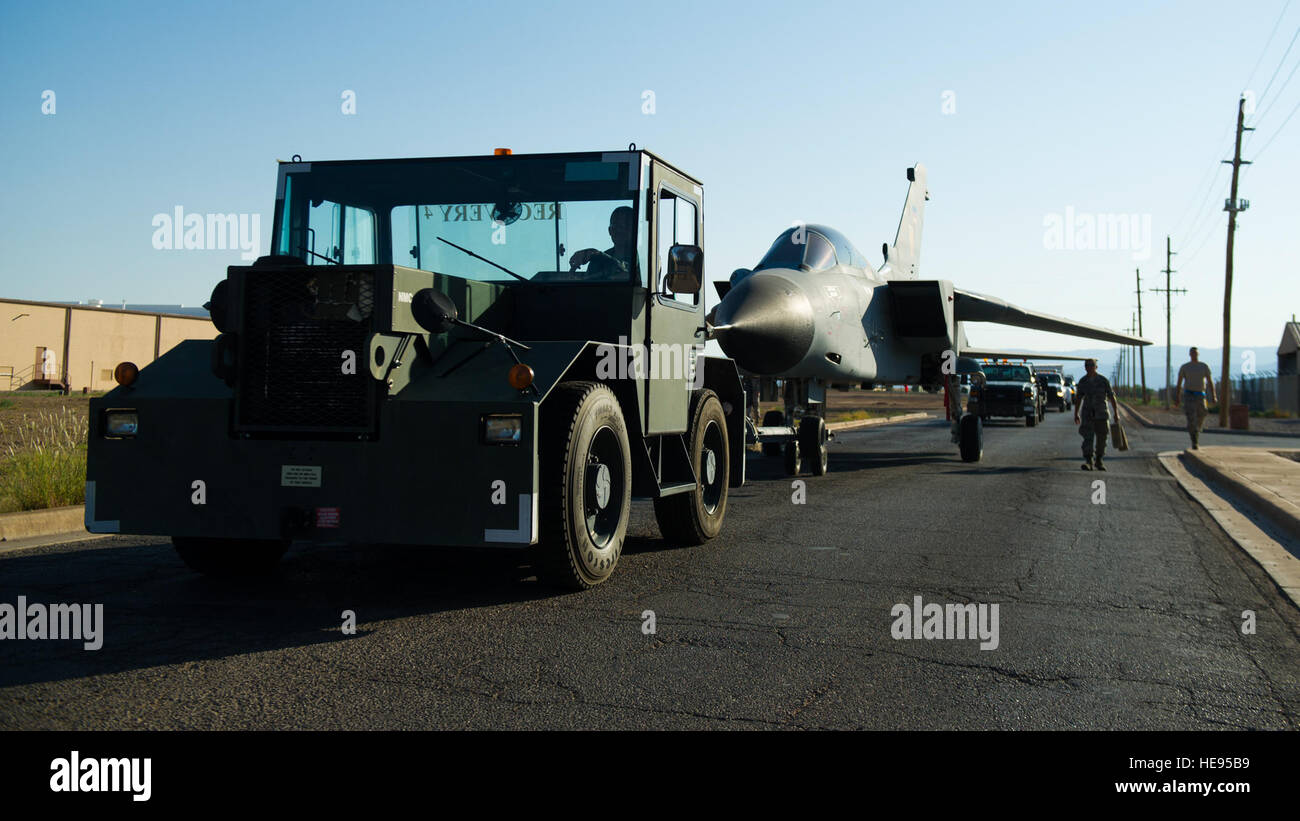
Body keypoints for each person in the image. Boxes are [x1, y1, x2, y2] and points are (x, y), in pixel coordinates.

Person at [1073, 358, 1118, 471]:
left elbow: (1112, 397)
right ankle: (1089, 461)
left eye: (1092, 365)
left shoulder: (1103, 381)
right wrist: (1076, 413)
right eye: (1087, 366)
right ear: (1085, 368)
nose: (1089, 367)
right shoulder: (1083, 381)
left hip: (1101, 414)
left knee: (1102, 438)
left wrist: (1116, 413)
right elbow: (1078, 398)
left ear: (1096, 367)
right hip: (1088, 414)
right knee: (1088, 438)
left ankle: (1099, 460)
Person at [568, 206, 635, 281]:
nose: (619, 230)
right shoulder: (597, 261)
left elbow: (630, 277)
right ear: (610, 230)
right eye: (616, 225)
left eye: (625, 225)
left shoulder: (644, 258)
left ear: (635, 229)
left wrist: (599, 255)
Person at [1173, 346, 1214, 450]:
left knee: (1203, 413)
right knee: (1191, 418)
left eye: (1195, 353)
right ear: (1189, 354)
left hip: (1201, 395)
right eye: (1192, 353)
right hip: (1189, 396)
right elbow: (1179, 383)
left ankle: (1197, 429)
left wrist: (1213, 395)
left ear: (1198, 354)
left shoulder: (1203, 366)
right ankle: (1194, 440)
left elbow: (1210, 381)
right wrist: (1177, 397)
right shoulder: (1185, 367)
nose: (1194, 355)